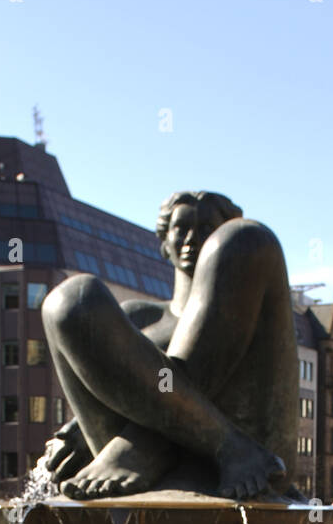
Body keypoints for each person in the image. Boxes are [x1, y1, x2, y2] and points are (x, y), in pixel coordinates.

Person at [41, 188, 298, 502]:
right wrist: (79, 430)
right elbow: (120, 392)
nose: (192, 238)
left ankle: (145, 447)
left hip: (252, 457)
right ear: (164, 243)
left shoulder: (248, 290)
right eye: (182, 228)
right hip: (158, 464)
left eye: (207, 229)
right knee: (71, 300)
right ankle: (225, 443)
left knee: (246, 238)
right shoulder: (137, 317)